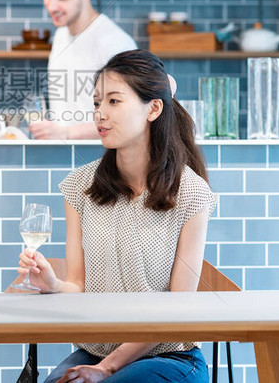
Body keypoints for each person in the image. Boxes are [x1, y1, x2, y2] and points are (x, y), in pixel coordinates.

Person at [18, 49, 217, 383]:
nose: (100, 114)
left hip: (171, 355)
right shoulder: (79, 187)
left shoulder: (192, 193)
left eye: (113, 101)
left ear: (153, 108)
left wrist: (107, 368)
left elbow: (178, 311)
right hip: (96, 351)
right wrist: (53, 285)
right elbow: (80, 287)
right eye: (97, 103)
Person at [29, 0, 137, 140]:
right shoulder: (62, 34)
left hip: (99, 160)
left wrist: (66, 133)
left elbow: (131, 116)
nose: (52, 6)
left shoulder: (115, 43)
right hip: (64, 157)